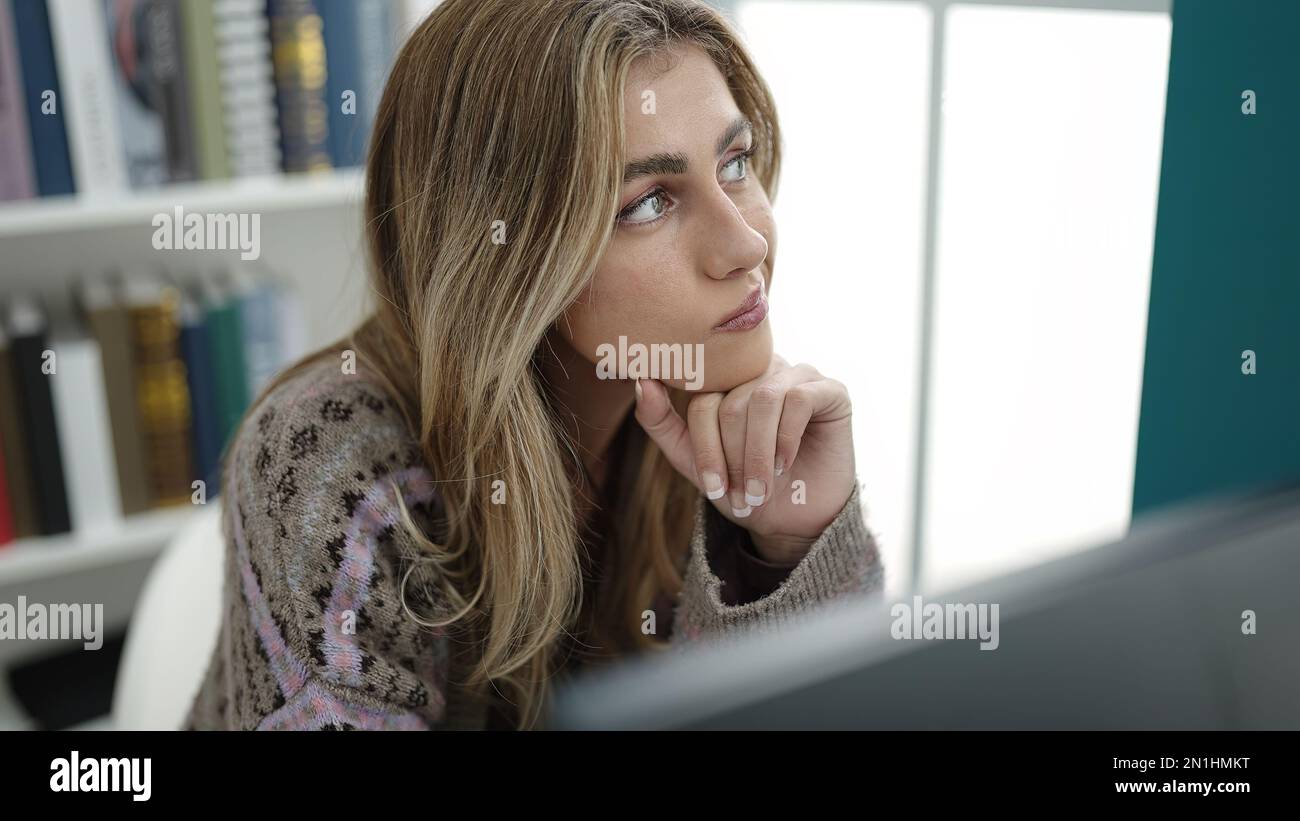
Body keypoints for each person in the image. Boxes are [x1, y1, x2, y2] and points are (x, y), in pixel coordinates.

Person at [185, 0, 883, 731]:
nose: (745, 243)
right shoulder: (327, 459)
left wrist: (790, 552)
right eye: (648, 203)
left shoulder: (720, 413)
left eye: (734, 163)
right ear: (507, 257)